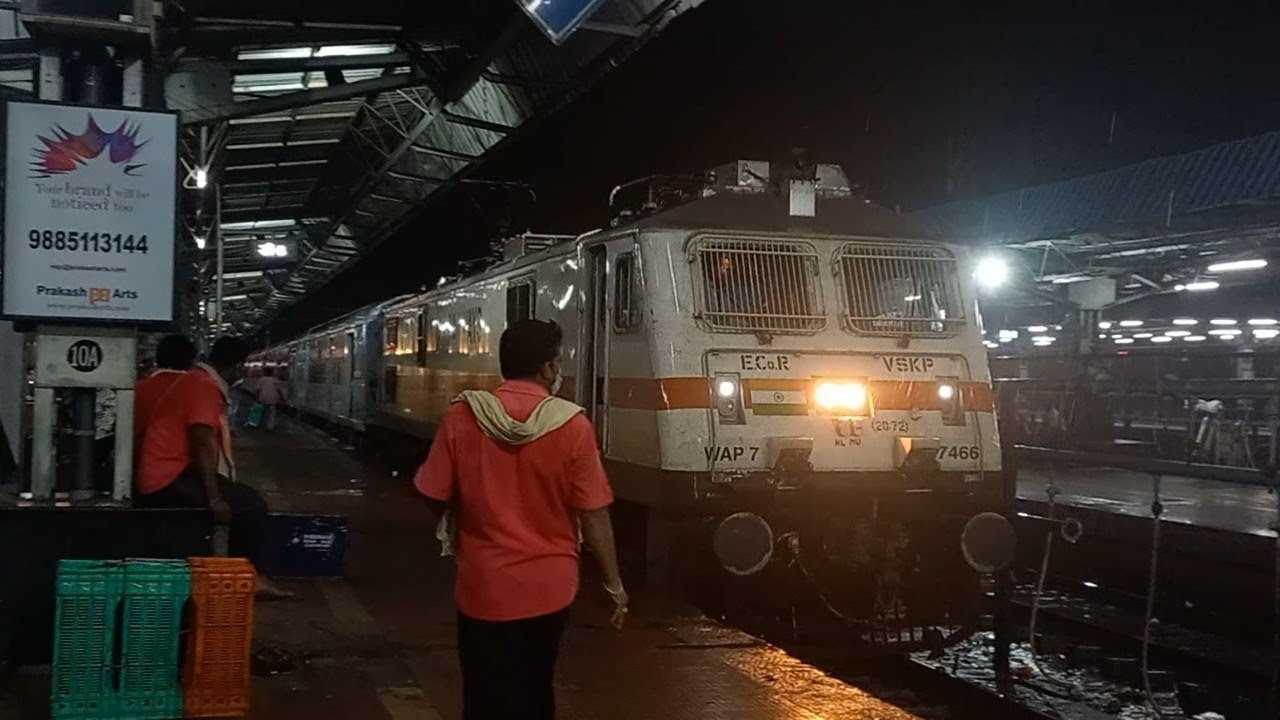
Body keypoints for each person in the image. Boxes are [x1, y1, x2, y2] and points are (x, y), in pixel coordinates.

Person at [414, 319, 627, 720]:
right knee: (534, 688)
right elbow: (593, 514)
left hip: (483, 584)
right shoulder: (573, 425)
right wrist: (614, 584)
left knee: (483, 692)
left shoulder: (464, 416)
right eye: (558, 362)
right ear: (547, 369)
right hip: (549, 587)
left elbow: (432, 494)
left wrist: (470, 512)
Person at [135, 336, 287, 599]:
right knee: (252, 505)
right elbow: (202, 440)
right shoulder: (204, 386)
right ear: (237, 367)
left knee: (243, 498)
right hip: (166, 477)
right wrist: (215, 497)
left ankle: (239, 572)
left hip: (161, 472)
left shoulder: (193, 379)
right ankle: (250, 577)